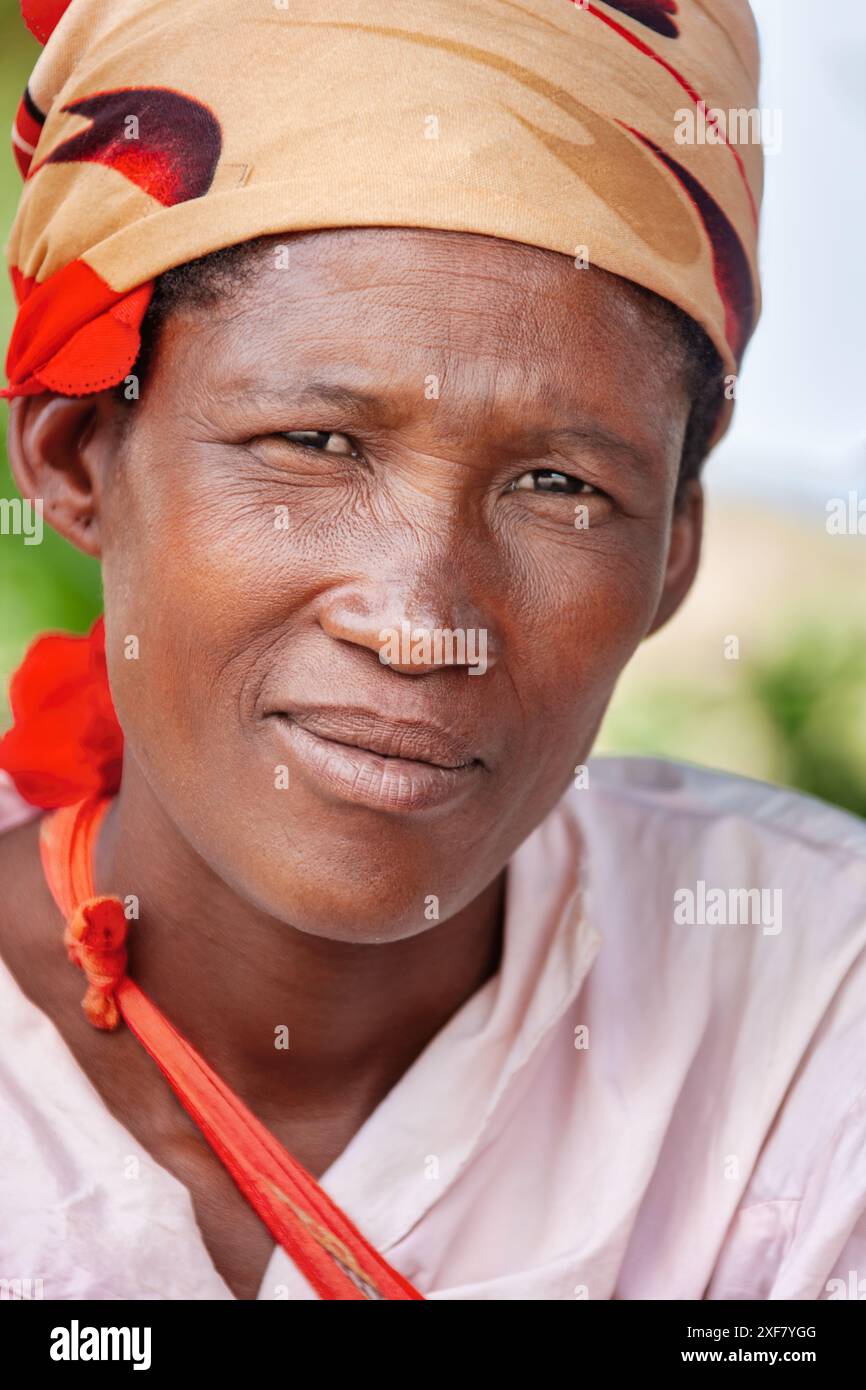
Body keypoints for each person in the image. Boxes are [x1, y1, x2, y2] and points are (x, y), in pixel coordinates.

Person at [1, 0, 864, 1302]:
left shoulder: (808, 1014)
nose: (418, 620)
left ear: (671, 554)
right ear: (79, 458)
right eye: (315, 442)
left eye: (557, 483)